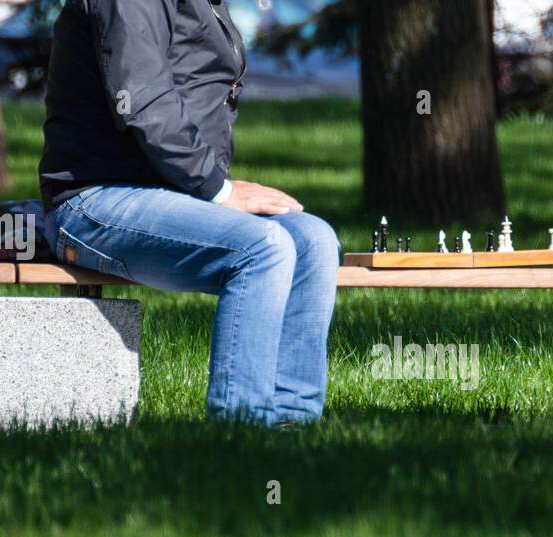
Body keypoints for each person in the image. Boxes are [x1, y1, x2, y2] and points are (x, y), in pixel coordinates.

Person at [38, 0, 339, 426]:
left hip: (170, 192)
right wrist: (217, 189)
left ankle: (290, 427)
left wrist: (209, 187)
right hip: (94, 200)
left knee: (314, 240)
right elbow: (141, 99)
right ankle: (241, 429)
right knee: (263, 247)